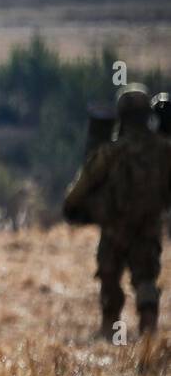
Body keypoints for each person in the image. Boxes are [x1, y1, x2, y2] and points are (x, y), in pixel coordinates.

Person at [64, 84, 171, 340]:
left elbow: (84, 183)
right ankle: (148, 331)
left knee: (110, 278)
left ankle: (109, 330)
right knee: (145, 278)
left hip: (115, 229)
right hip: (149, 226)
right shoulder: (165, 150)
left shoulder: (111, 152)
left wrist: (72, 208)